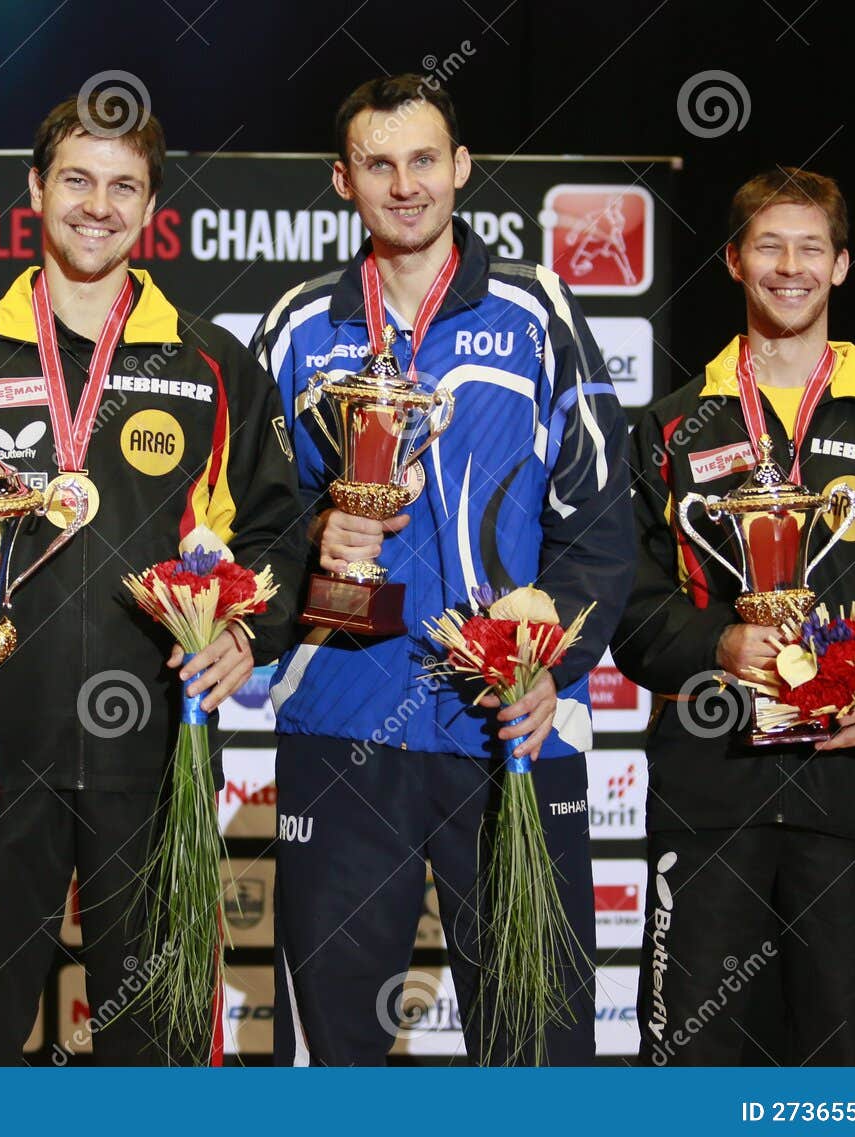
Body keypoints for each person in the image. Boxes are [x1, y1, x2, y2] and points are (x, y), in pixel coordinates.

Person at [0, 95, 304, 1066]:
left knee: (156, 1045)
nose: (96, 205)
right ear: (35, 189)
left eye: (123, 185)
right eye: (75, 179)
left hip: (158, 757)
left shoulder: (211, 363)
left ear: (151, 204)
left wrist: (251, 634)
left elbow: (282, 530)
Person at [252, 74, 634, 1065]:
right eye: (379, 164)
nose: (405, 184)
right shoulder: (299, 325)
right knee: (338, 1050)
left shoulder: (538, 312)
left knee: (538, 1046)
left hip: (508, 720)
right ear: (343, 181)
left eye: (424, 159)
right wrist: (312, 544)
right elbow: (238, 519)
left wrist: (551, 663)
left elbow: (597, 518)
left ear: (461, 169)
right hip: (337, 724)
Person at [613, 166, 855, 1064]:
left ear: (843, 265)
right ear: (734, 262)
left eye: (811, 248)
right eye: (770, 247)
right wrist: (720, 640)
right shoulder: (674, 428)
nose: (792, 267)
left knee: (846, 1066)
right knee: (687, 1067)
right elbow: (622, 606)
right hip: (709, 785)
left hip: (851, 791)